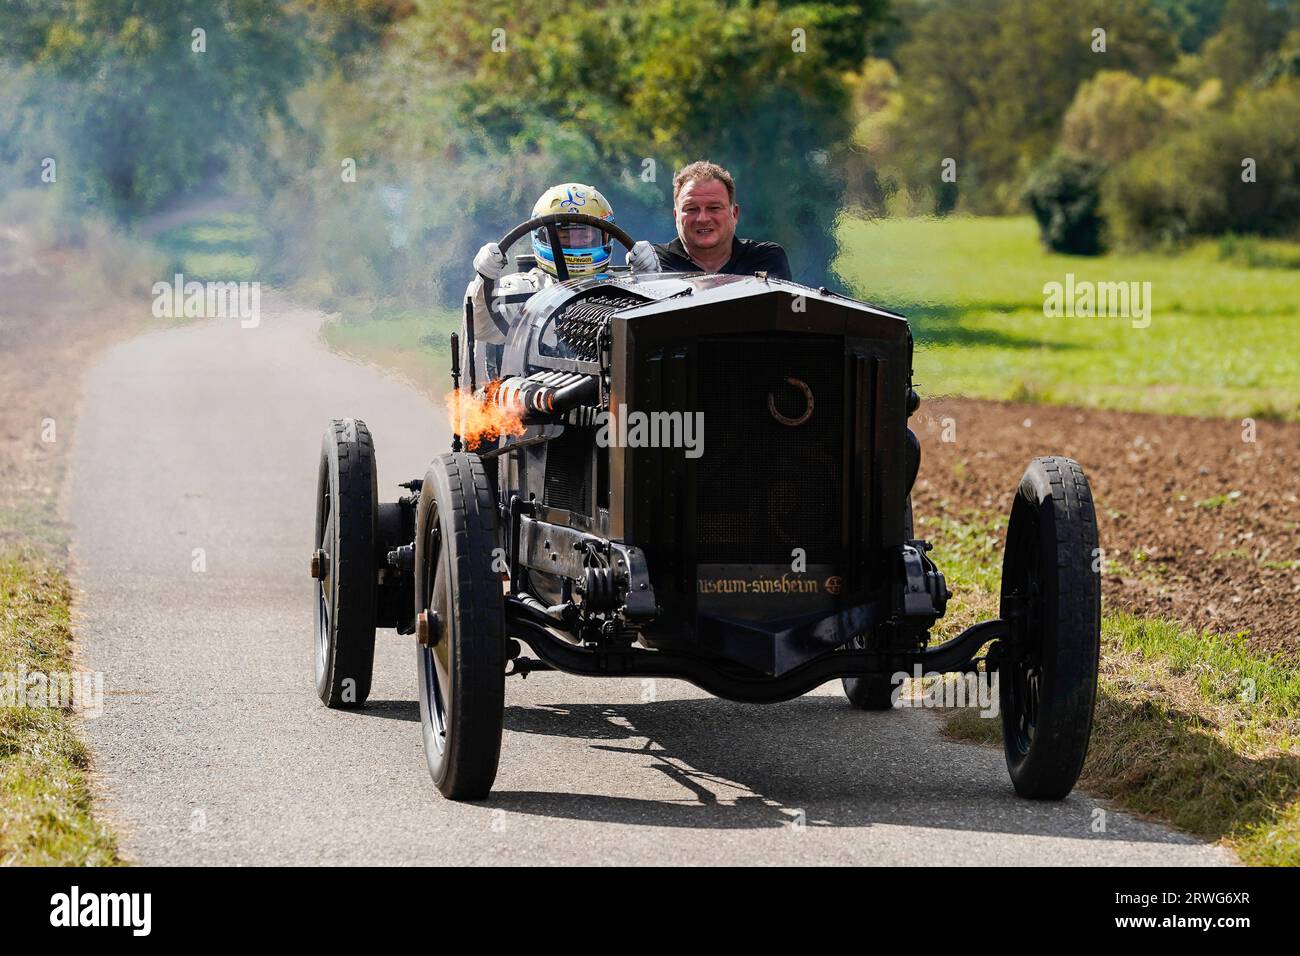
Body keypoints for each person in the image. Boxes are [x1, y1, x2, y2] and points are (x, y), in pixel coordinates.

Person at [463, 183, 658, 388]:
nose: (576, 242)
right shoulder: (520, 289)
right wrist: (484, 280)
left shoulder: (625, 288)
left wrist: (651, 279)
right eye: (564, 236)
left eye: (585, 236)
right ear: (542, 237)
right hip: (531, 402)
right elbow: (480, 326)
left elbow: (654, 339)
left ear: (605, 237)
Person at [653, 161, 792, 281]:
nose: (702, 218)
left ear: (734, 213)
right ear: (676, 216)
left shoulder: (765, 258)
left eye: (714, 208)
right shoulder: (655, 261)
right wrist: (641, 278)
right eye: (691, 209)